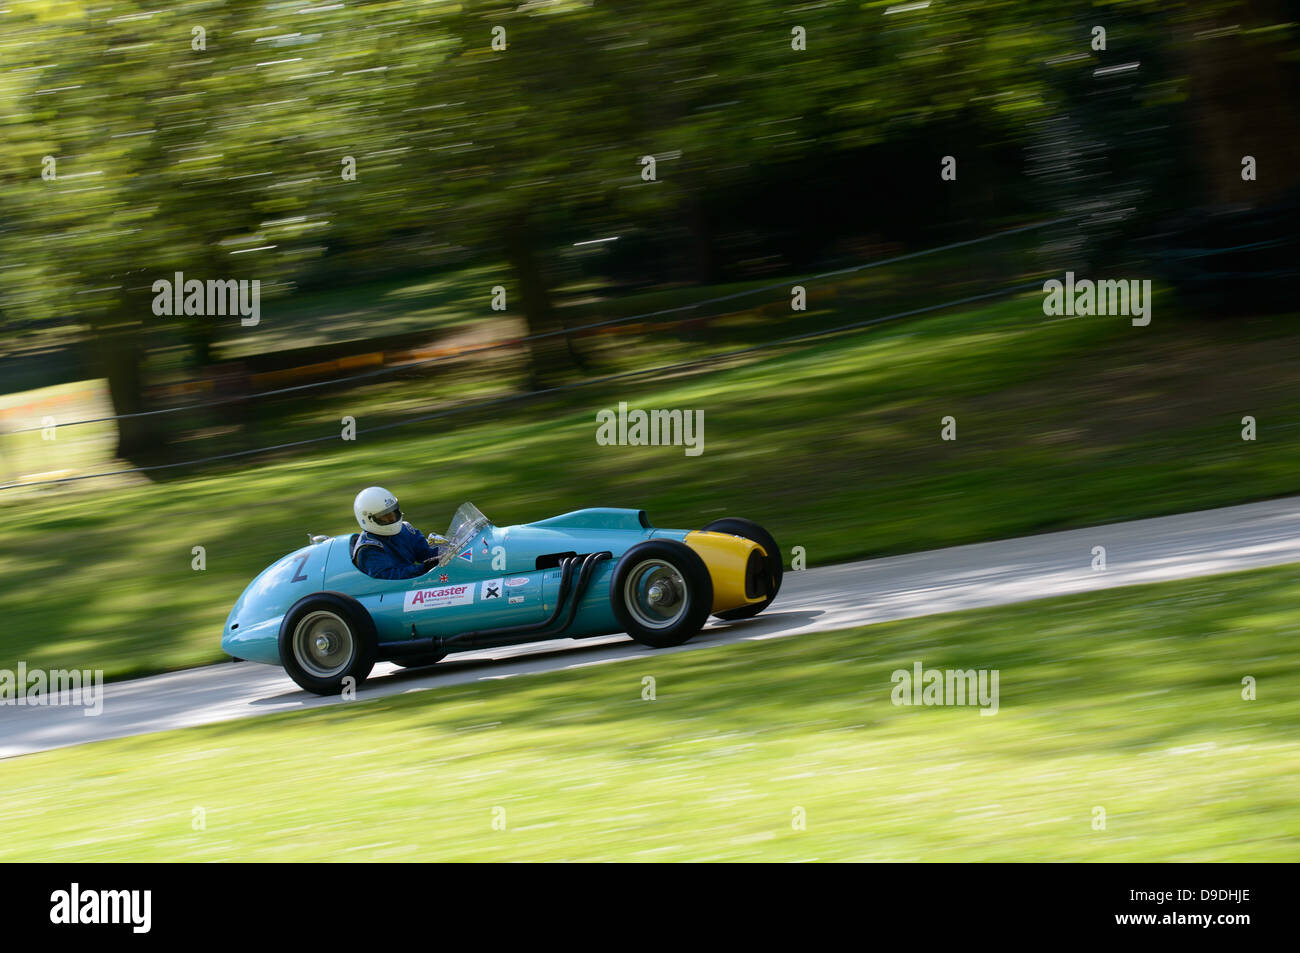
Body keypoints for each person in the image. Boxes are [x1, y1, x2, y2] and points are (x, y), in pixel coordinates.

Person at [350, 486, 442, 580]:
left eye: (393, 512)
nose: (392, 518)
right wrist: (425, 568)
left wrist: (445, 555)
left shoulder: (405, 531)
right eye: (385, 517)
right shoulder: (369, 549)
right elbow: (391, 577)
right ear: (368, 519)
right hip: (392, 591)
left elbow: (426, 552)